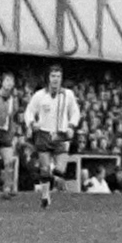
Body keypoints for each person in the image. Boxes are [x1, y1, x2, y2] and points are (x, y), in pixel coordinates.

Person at [20, 64, 82, 208]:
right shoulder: (40, 95)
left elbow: (75, 112)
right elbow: (29, 111)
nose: (55, 79)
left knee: (59, 170)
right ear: (48, 78)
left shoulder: (68, 95)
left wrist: (72, 126)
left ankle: (52, 181)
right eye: (53, 76)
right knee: (44, 169)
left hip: (60, 135)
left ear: (61, 78)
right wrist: (31, 123)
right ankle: (45, 197)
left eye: (58, 76)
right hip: (44, 134)